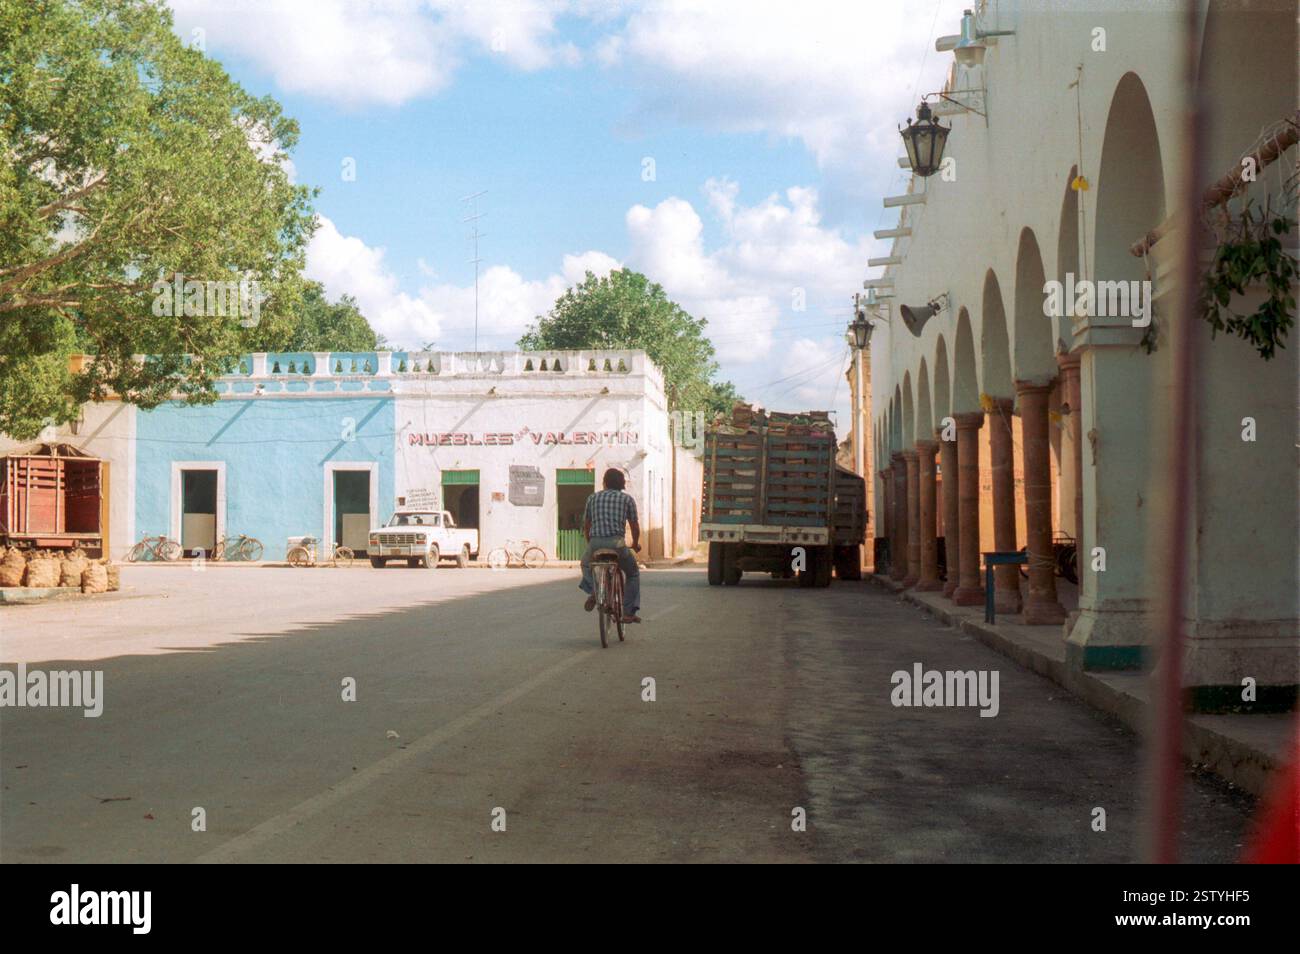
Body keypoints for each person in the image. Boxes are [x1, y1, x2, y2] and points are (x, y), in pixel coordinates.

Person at [579, 468, 641, 623]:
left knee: (585, 564)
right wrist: (635, 544)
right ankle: (627, 612)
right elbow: (634, 526)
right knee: (633, 574)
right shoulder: (627, 500)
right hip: (617, 544)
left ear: (604, 482)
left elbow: (587, 524)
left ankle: (594, 591)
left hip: (596, 542)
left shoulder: (592, 498)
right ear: (622, 484)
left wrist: (591, 543)